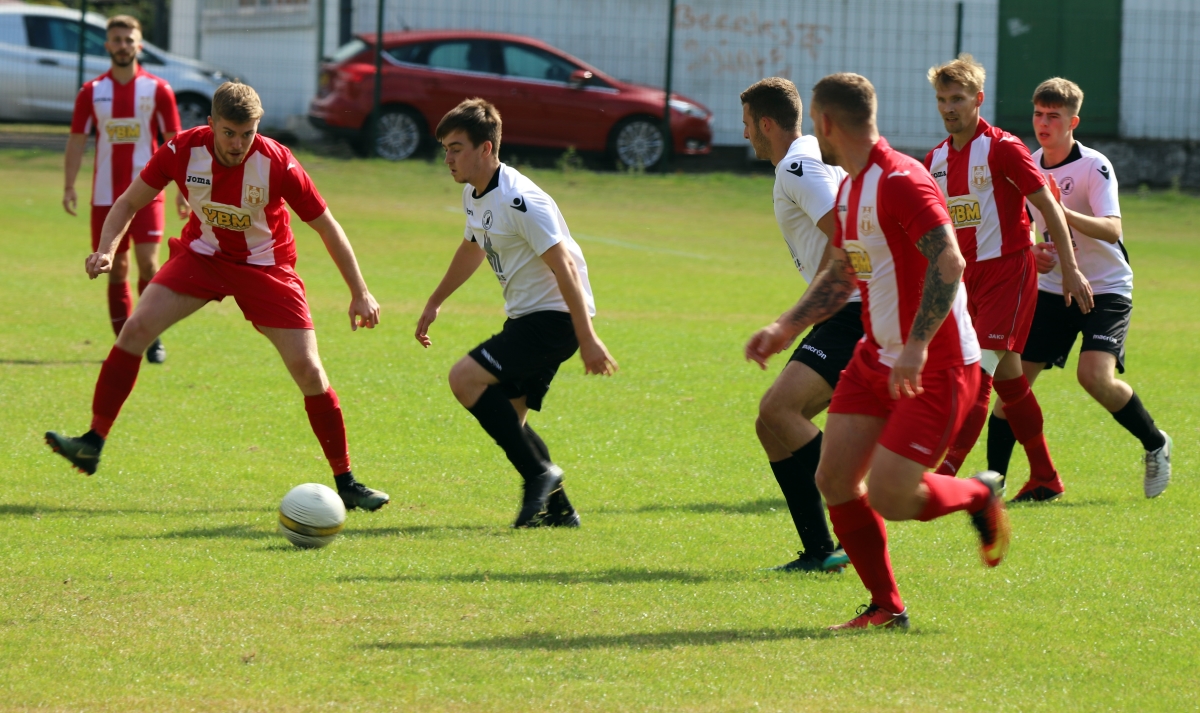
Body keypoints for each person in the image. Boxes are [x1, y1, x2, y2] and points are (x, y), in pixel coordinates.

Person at [45, 82, 390, 512]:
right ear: (210, 124)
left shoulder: (279, 162)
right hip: (202, 256)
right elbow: (129, 202)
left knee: (308, 369)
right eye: (229, 132)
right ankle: (92, 442)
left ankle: (347, 482)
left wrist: (360, 292)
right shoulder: (182, 150)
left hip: (266, 267)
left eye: (247, 134)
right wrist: (107, 249)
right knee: (135, 329)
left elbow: (327, 226)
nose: (238, 144)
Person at [746, 73, 1010, 631]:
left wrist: (917, 344)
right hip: (874, 354)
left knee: (891, 494)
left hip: (935, 362)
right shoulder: (850, 187)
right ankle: (886, 607)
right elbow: (841, 271)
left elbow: (949, 262)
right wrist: (783, 327)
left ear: (823, 123)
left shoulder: (901, 180)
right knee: (835, 479)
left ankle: (977, 495)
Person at [416, 98, 617, 528]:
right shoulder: (475, 193)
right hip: (529, 318)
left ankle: (541, 475)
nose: (447, 158)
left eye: (455, 148)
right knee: (512, 417)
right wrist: (435, 301)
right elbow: (472, 246)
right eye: (444, 149)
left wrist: (587, 338)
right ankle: (560, 511)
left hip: (555, 319)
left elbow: (564, 266)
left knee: (464, 378)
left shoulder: (521, 199)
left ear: (486, 149)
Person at [987, 78, 1171, 500]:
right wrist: (1034, 253)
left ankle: (1156, 444)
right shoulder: (1026, 164)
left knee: (1093, 376)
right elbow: (1020, 232)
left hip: (1105, 288)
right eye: (1038, 114)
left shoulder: (1094, 166)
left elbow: (1112, 229)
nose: (1044, 123)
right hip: (1050, 290)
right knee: (1011, 386)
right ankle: (992, 487)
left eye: (1054, 116)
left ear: (1074, 121)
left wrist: (1058, 210)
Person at [922, 55, 1092, 498]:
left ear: (978, 99)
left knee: (978, 372)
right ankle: (1045, 476)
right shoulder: (936, 159)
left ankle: (945, 470)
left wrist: (1070, 268)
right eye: (942, 99)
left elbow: (1049, 205)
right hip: (964, 282)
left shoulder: (1002, 147)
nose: (948, 108)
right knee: (1010, 383)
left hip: (1008, 274)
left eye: (957, 99)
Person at [739, 77, 855, 573]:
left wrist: (797, 316)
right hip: (844, 308)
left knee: (779, 410)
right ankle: (820, 550)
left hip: (855, 309)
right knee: (771, 424)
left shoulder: (798, 166)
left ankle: (857, 499)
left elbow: (846, 239)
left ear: (767, 124)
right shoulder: (807, 158)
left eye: (747, 126)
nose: (745, 136)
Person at [63, 14, 186, 363]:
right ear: (107, 45)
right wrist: (69, 185)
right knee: (114, 267)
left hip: (149, 193)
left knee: (149, 265)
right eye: (116, 40)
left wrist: (183, 190)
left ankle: (152, 334)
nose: (122, 46)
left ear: (139, 45)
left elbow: (175, 142)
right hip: (105, 195)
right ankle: (125, 344)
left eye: (128, 40)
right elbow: (76, 140)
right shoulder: (91, 92)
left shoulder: (158, 89)